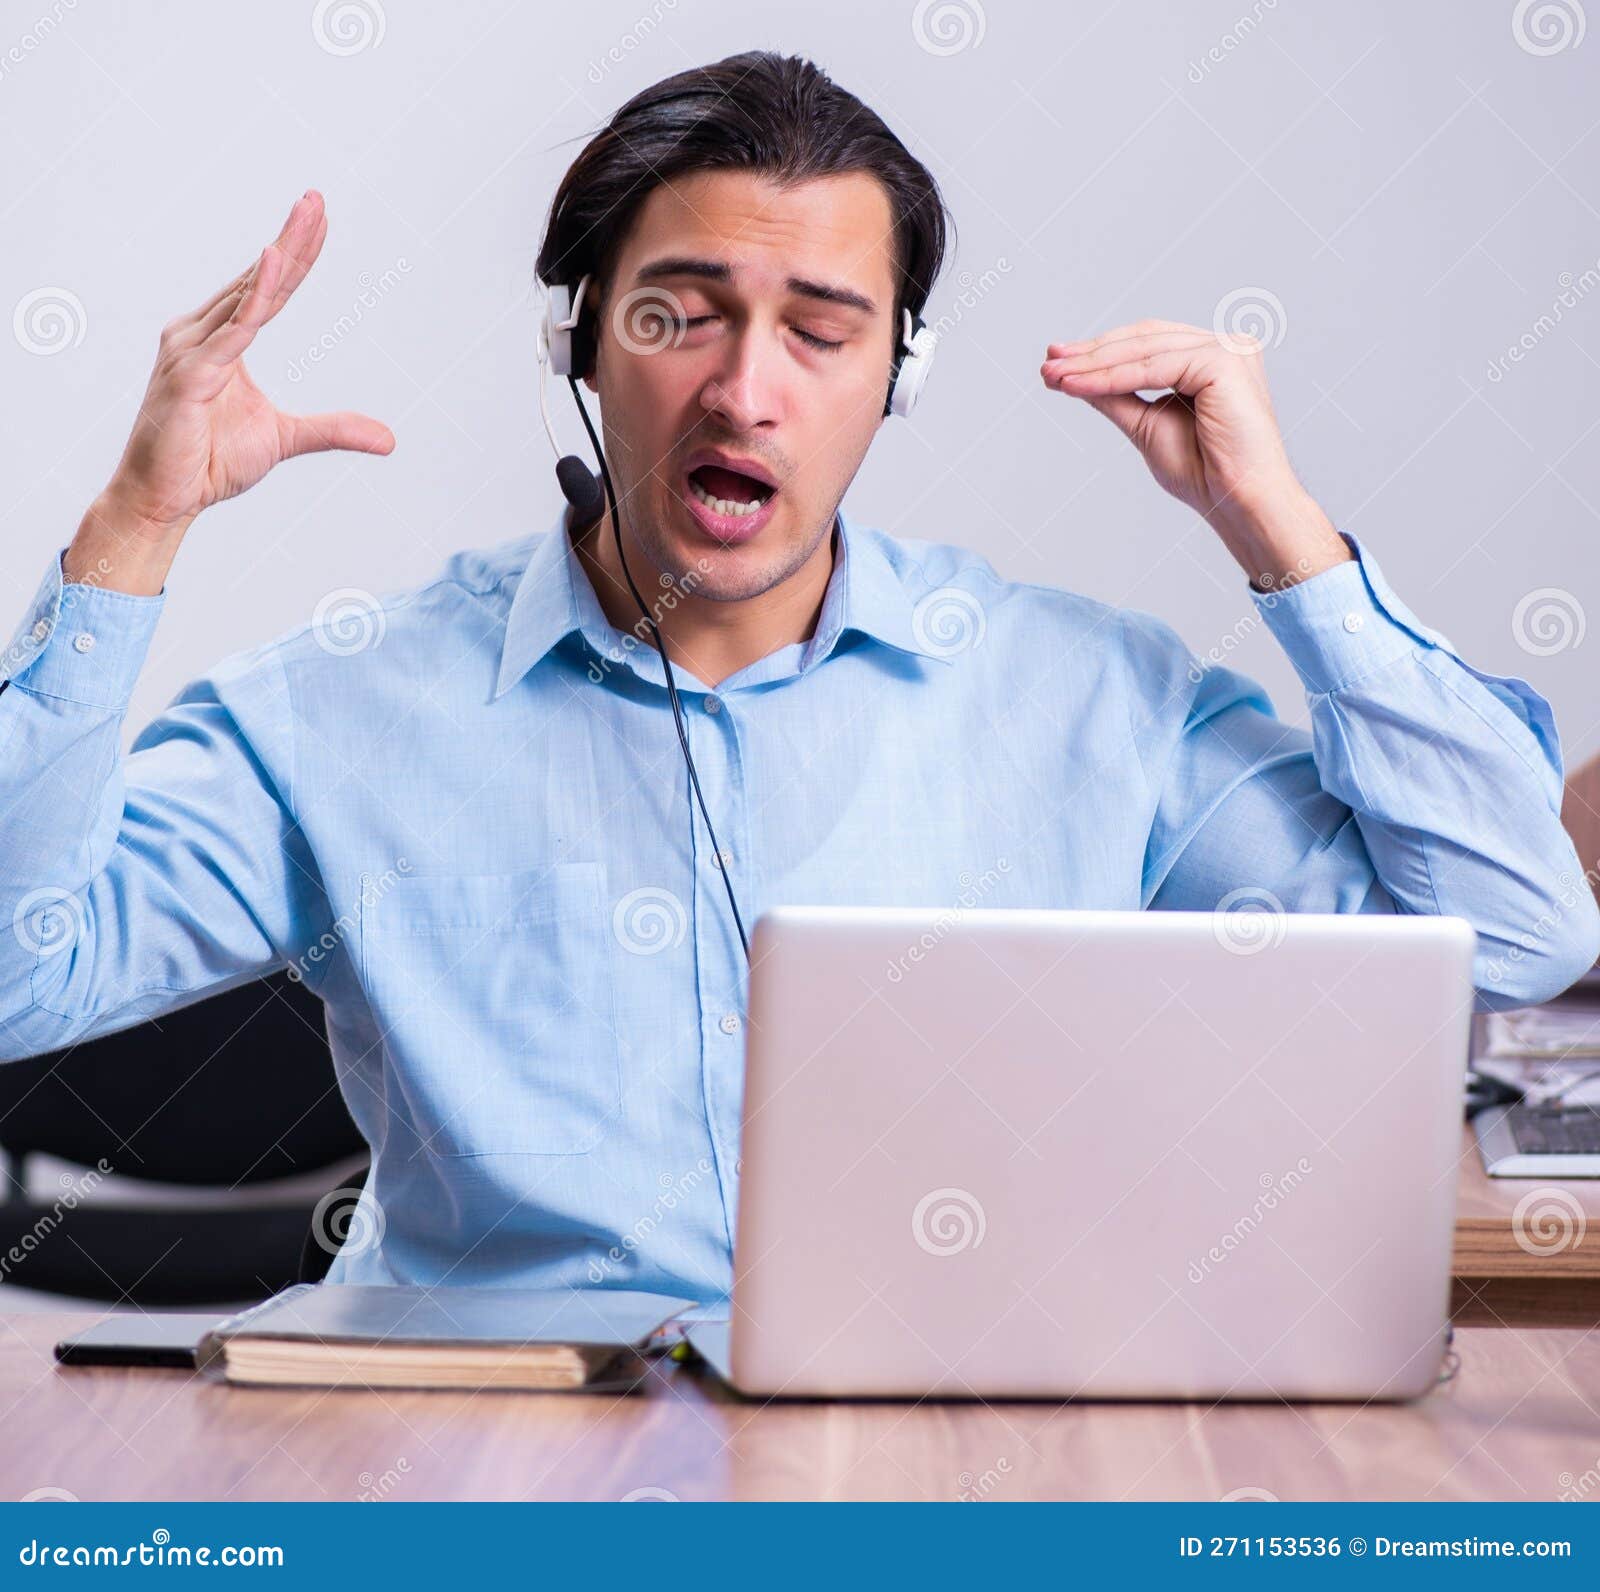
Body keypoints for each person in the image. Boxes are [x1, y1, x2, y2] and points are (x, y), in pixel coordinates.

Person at [2, 52, 1593, 1302]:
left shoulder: (1087, 703)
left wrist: (1282, 535)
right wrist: (131, 533)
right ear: (581, 347)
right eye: (677, 315)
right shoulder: (345, 707)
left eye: (823, 332)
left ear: (893, 375)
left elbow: (1517, 934)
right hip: (483, 1456)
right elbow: (19, 987)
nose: (745, 389)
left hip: (942, 1457)